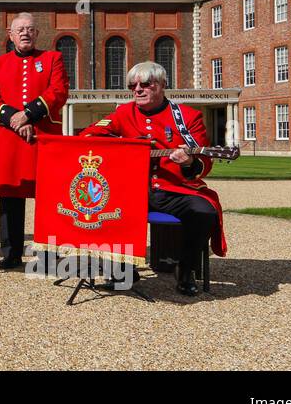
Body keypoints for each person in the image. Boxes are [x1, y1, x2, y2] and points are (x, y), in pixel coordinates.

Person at [81, 60, 226, 296]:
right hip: (133, 189)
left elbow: (203, 162)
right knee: (99, 202)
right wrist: (123, 146)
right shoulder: (122, 113)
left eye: (145, 84)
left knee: (204, 211)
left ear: (161, 85)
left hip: (174, 189)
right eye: (133, 86)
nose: (138, 89)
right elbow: (88, 135)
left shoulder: (187, 117)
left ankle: (186, 269)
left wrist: (189, 162)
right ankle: (123, 270)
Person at [0, 12, 69, 269]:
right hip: (10, 139)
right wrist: (15, 118)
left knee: (47, 196)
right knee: (10, 195)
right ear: (10, 35)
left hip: (43, 136)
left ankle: (48, 254)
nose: (25, 33)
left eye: (30, 29)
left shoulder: (53, 58)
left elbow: (58, 91)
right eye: (20, 29)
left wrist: (29, 115)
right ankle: (11, 252)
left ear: (37, 34)